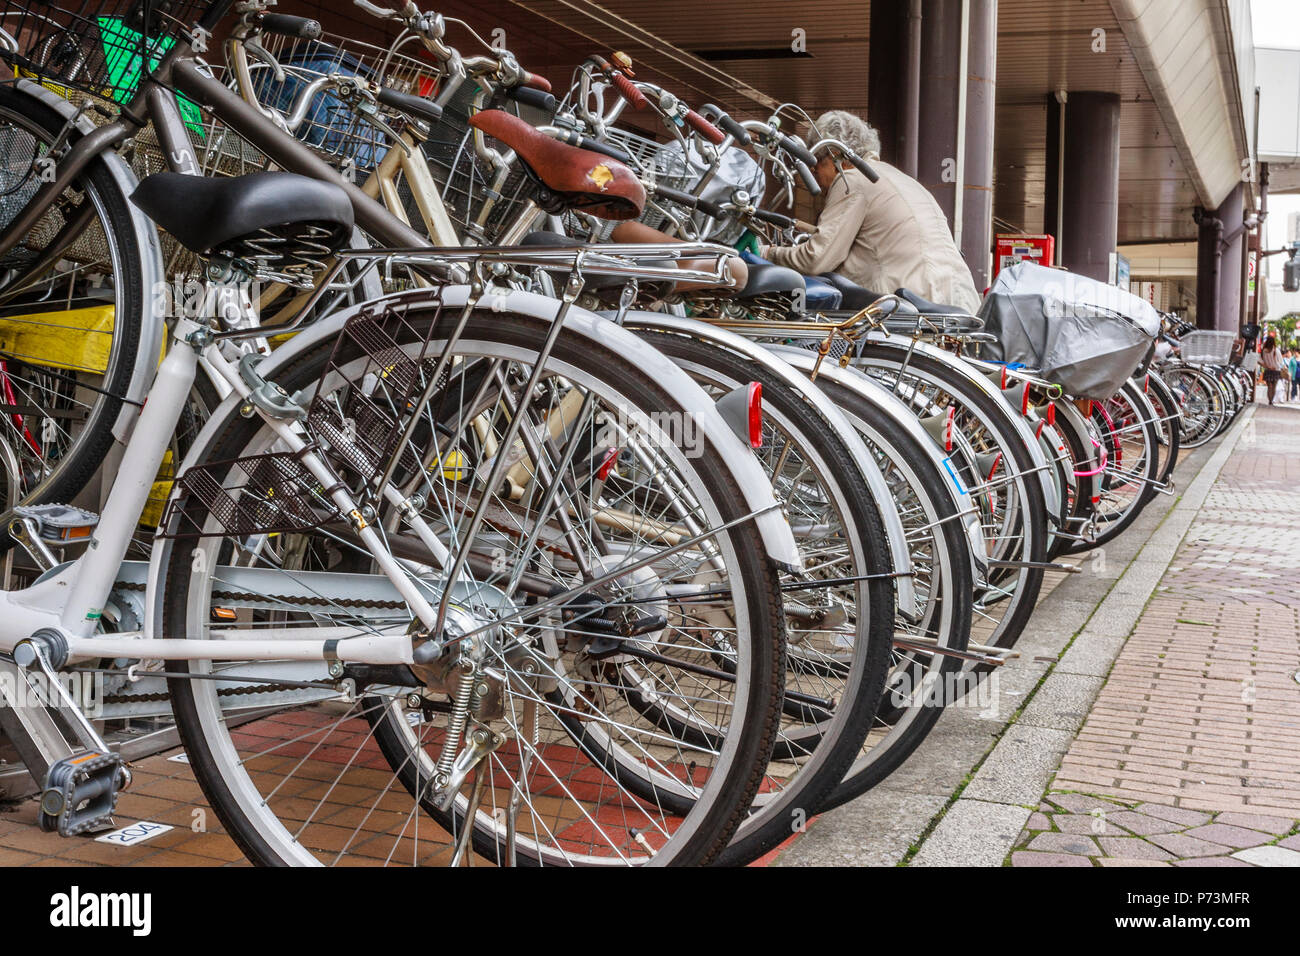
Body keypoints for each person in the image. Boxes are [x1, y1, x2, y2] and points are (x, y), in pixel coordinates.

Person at [759, 110, 982, 314]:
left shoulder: (853, 179)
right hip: (960, 299)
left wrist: (768, 253)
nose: (814, 171)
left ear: (836, 154)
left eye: (817, 161)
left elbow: (817, 259)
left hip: (912, 302)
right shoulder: (901, 178)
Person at [1260, 336, 1285, 406]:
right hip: (1276, 370)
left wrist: (1268, 366)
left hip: (1268, 370)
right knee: (1274, 386)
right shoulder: (1276, 350)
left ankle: (1270, 400)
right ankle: (1271, 400)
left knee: (1269, 386)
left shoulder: (1264, 351)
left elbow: (1261, 361)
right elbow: (1281, 361)